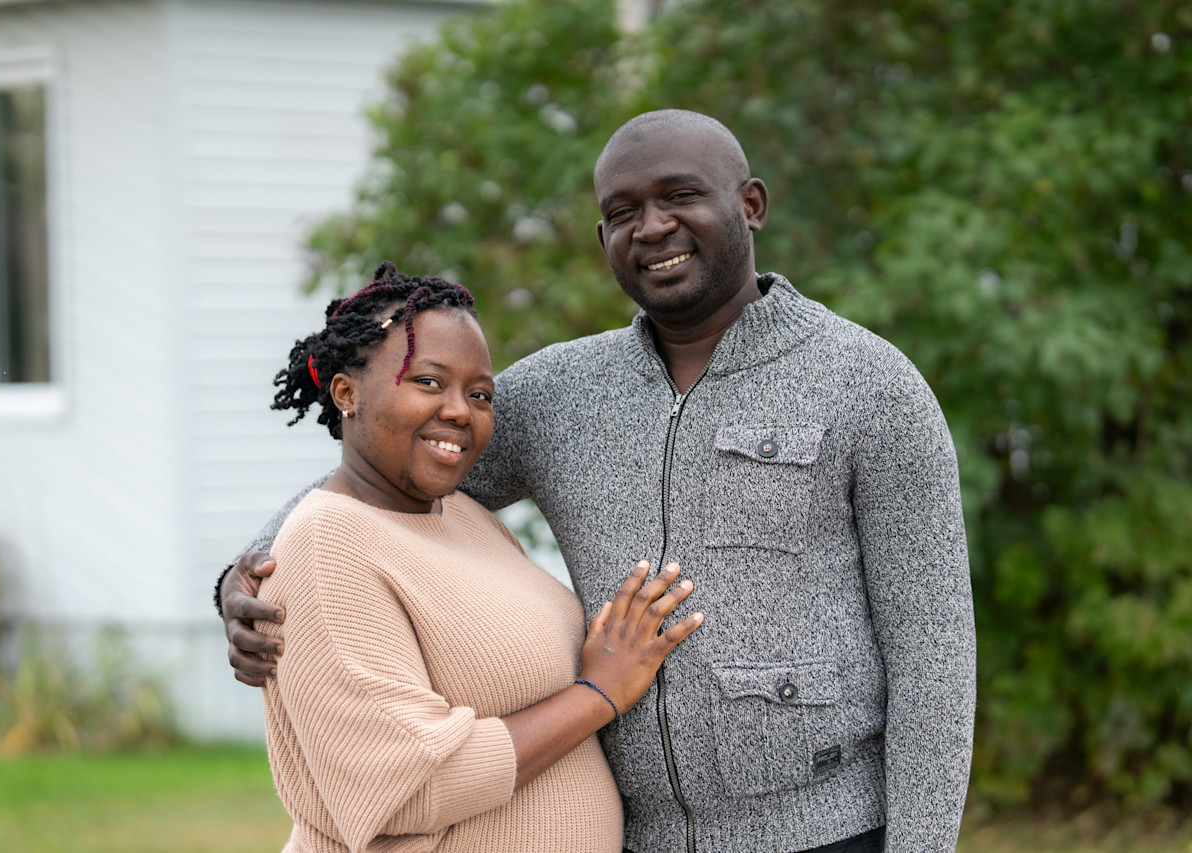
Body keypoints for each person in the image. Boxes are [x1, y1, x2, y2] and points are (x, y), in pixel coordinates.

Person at [220, 110, 976, 853]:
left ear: (751, 204)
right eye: (622, 212)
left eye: (679, 196)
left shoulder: (870, 384)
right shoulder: (560, 392)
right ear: (603, 239)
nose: (651, 227)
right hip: (635, 838)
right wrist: (246, 570)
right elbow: (382, 477)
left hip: (830, 831)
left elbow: (933, 653)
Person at [249, 262, 703, 853]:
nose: (461, 411)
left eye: (480, 393)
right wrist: (599, 693)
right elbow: (403, 788)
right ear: (346, 393)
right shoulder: (326, 542)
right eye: (429, 382)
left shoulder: (461, 515)